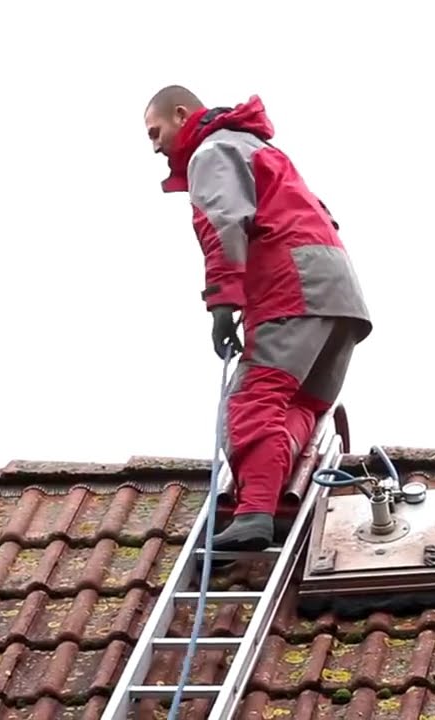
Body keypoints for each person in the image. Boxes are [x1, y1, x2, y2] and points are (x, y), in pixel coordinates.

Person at [144, 85, 373, 551]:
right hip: (339, 299)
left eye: (156, 131)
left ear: (182, 114)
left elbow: (222, 222)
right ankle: (272, 507)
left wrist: (222, 302)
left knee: (252, 401)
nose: (154, 146)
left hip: (294, 288)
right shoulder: (254, 147)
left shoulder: (212, 152)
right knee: (300, 407)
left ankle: (253, 516)